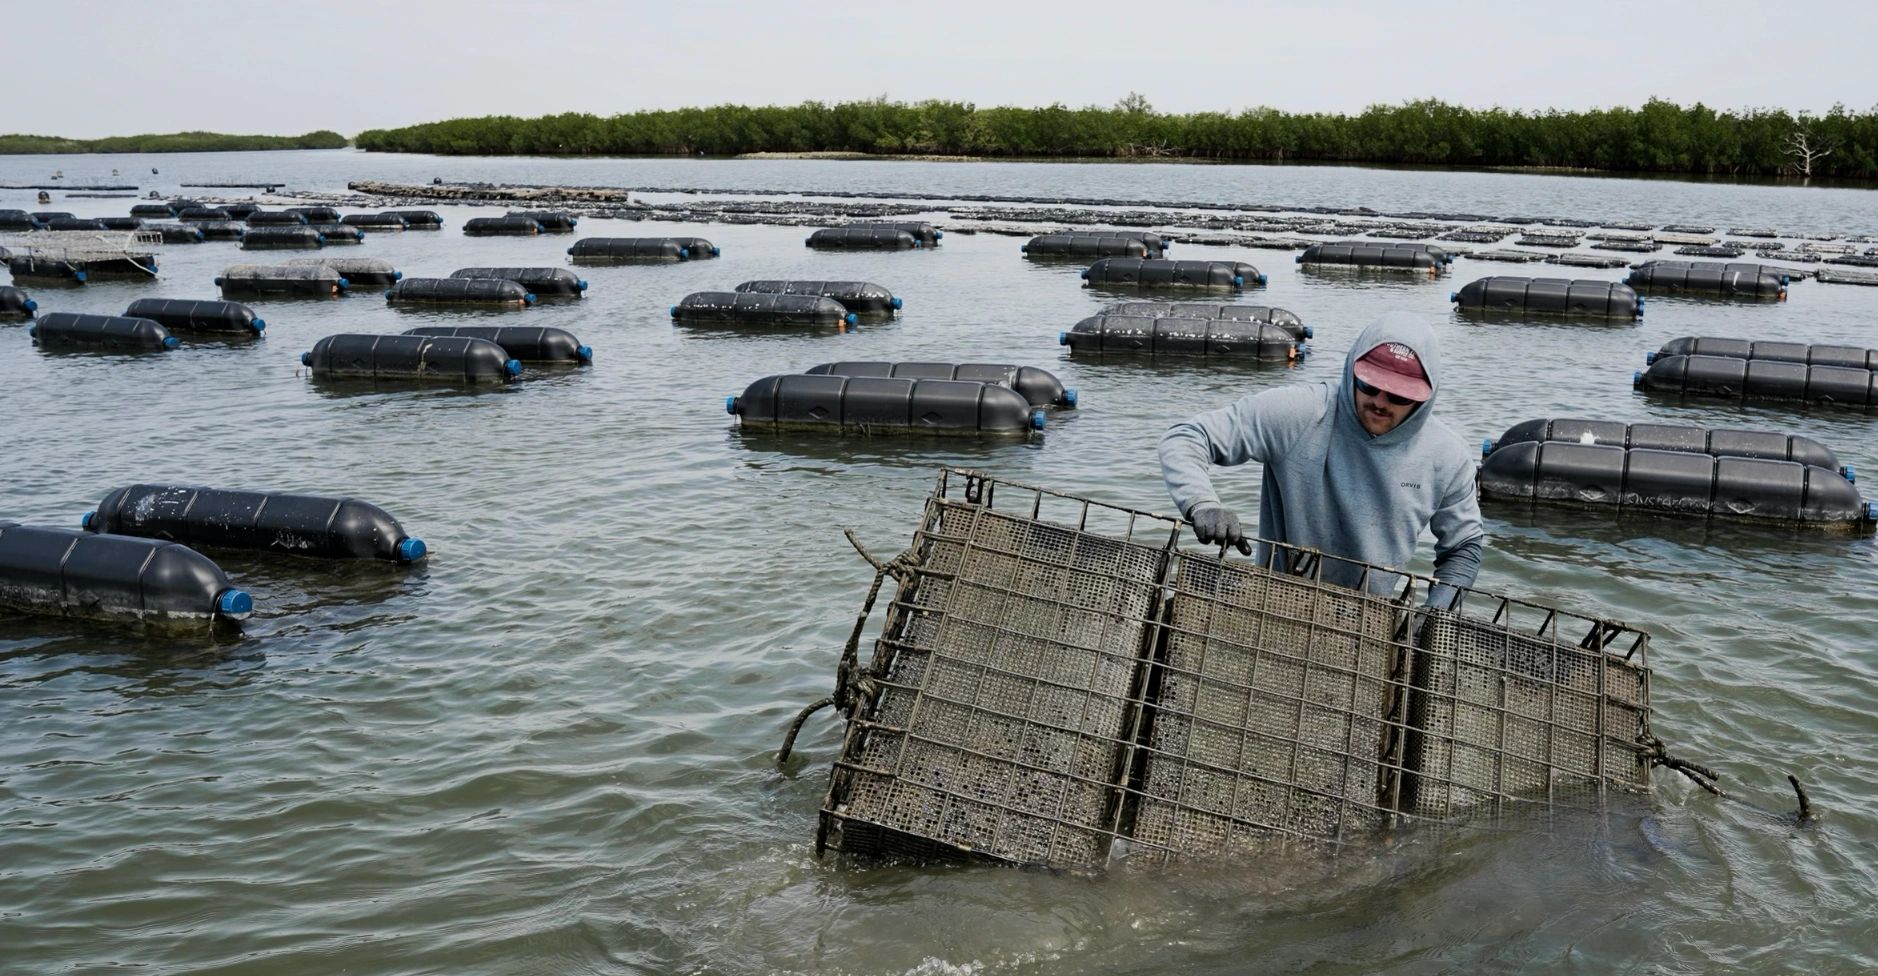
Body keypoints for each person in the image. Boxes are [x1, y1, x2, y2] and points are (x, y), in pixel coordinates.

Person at [1158, 310, 1483, 607]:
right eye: (1369, 385)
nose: (1380, 402)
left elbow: (1463, 546)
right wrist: (1202, 503)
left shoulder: (1447, 457)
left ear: (1423, 398)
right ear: (1353, 370)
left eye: (1398, 395)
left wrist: (1435, 612)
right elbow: (1187, 438)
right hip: (1277, 595)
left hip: (1369, 611)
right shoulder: (1298, 414)